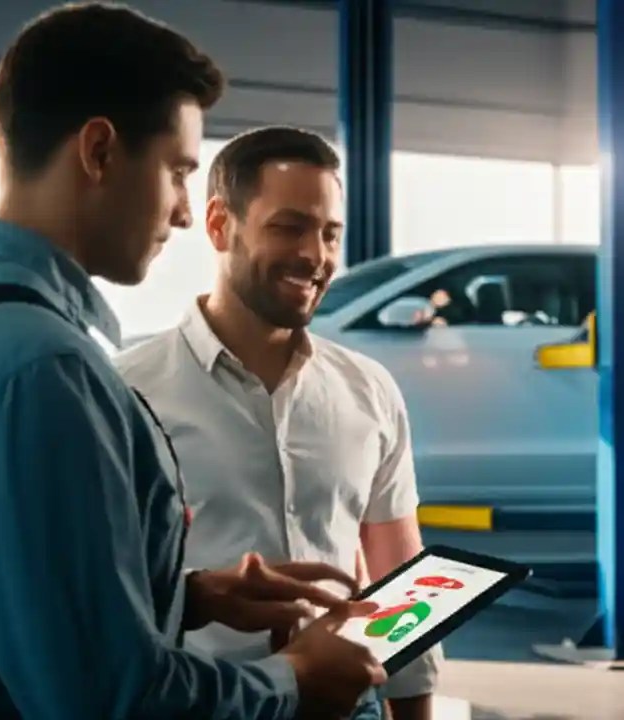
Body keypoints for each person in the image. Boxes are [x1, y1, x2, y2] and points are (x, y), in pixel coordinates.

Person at [0, 5, 385, 719]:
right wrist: (297, 680)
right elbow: (115, 703)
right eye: (177, 172)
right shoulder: (43, 368)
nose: (179, 210)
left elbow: (1, 599)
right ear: (101, 152)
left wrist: (187, 594)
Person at [114, 126, 443, 720]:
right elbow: (106, 594)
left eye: (329, 233)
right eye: (288, 227)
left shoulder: (368, 391)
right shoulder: (128, 392)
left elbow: (401, 580)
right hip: (204, 705)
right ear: (219, 225)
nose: (315, 256)